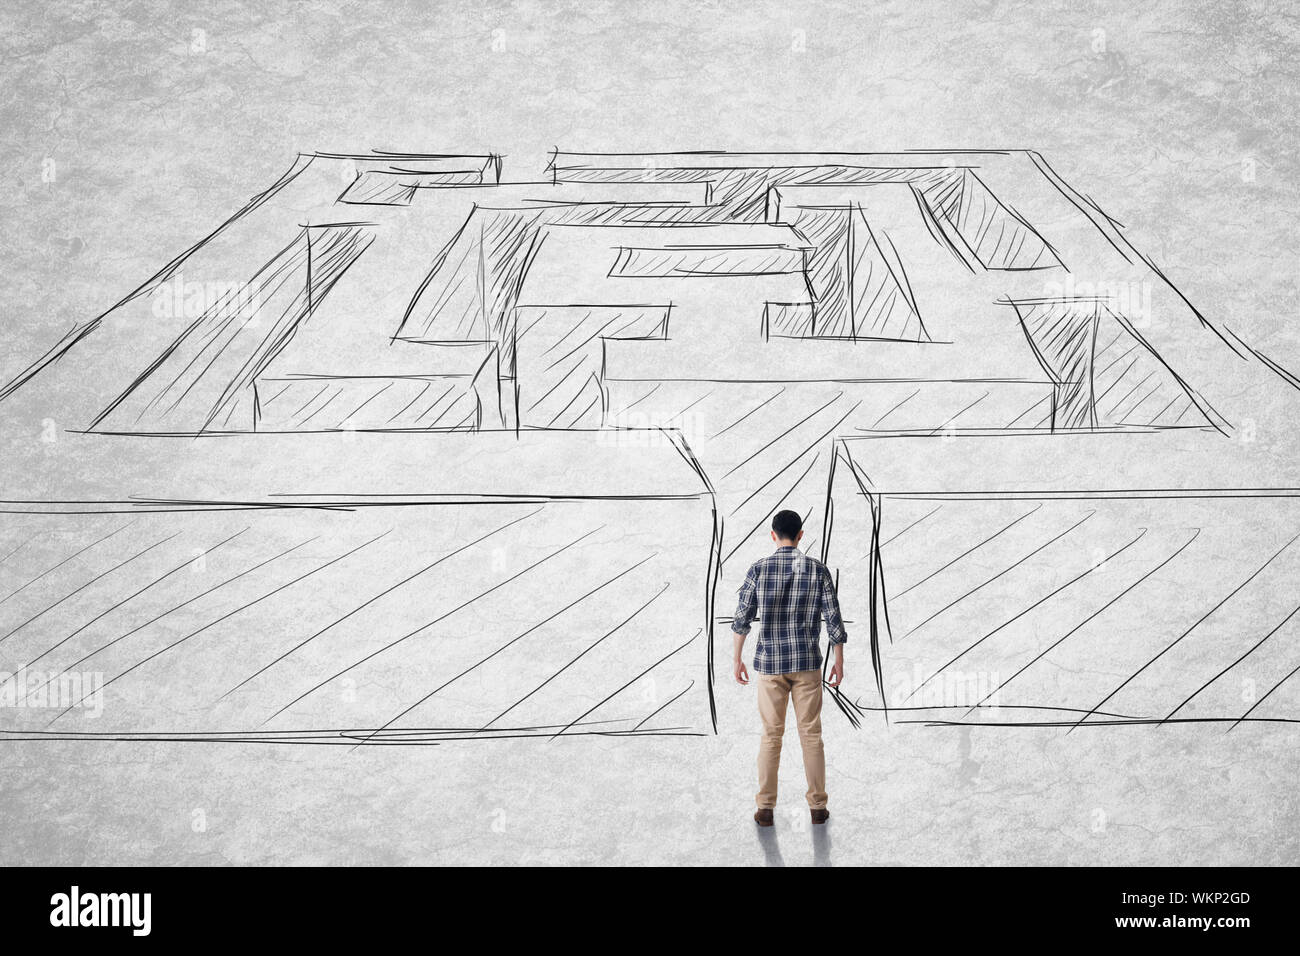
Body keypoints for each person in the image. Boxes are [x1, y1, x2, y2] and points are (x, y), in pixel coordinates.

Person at [731, 509, 846, 827]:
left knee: (771, 735)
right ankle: (818, 808)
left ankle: (765, 808)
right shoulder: (817, 569)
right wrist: (839, 659)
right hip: (808, 664)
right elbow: (833, 617)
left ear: (773, 535)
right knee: (811, 735)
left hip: (770, 666)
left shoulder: (758, 569)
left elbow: (741, 620)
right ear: (800, 536)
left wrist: (737, 659)